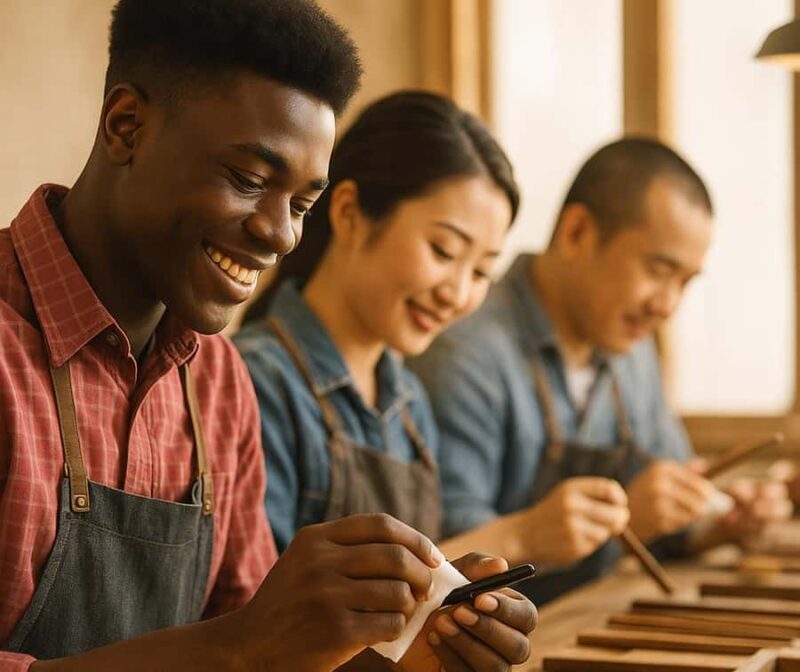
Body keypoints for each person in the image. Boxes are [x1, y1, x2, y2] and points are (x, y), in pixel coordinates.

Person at [0, 1, 536, 670]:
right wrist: (241, 646)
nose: (282, 235)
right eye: (251, 180)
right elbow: (245, 648)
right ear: (126, 126)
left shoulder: (218, 383)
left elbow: (273, 652)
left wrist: (418, 649)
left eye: (302, 204)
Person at [410, 138, 791, 604]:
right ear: (577, 233)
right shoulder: (465, 352)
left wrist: (718, 523)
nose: (667, 305)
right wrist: (628, 521)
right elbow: (451, 562)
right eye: (658, 270)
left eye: (685, 282)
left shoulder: (631, 348)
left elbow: (671, 506)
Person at [235, 90, 518, 552]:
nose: (456, 294)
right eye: (443, 251)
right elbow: (256, 592)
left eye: (481, 271)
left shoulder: (410, 405)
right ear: (350, 214)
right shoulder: (255, 382)